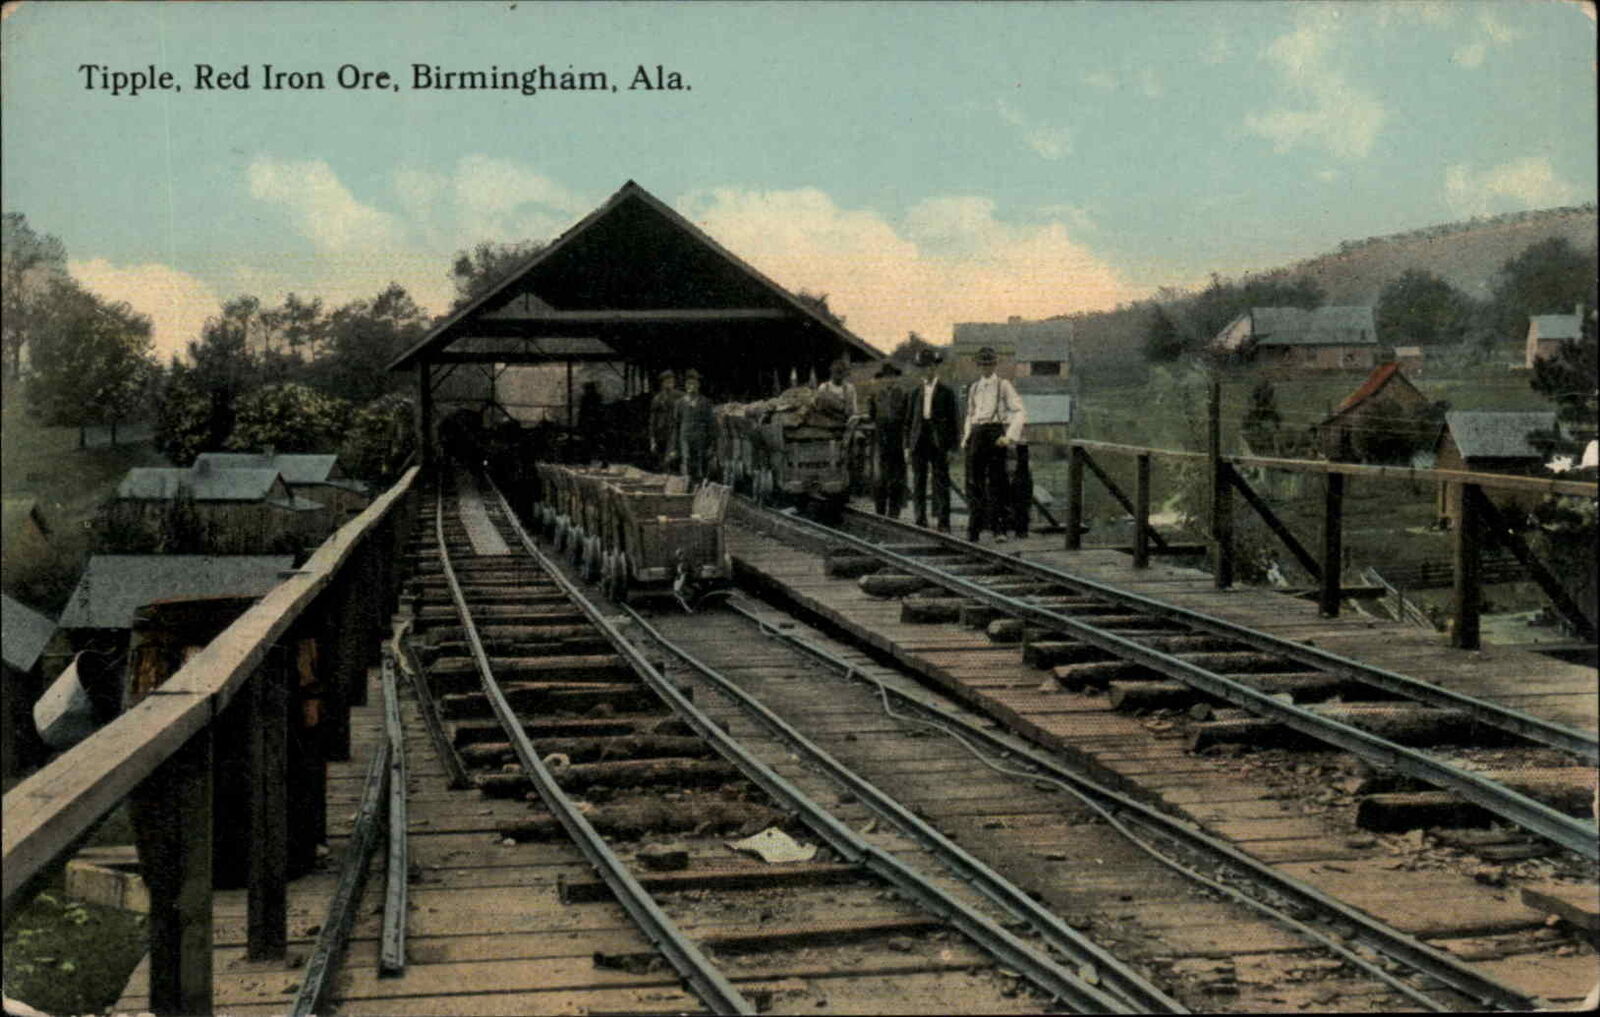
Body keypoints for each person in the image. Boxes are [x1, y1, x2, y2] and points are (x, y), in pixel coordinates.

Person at [962, 346, 1026, 543]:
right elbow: (970, 415)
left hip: (995, 434)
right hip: (977, 434)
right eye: (982, 364)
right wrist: (966, 438)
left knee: (998, 482)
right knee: (974, 482)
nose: (985, 368)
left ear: (994, 365)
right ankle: (974, 530)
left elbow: (1020, 411)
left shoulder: (1003, 385)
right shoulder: (974, 387)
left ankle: (999, 529)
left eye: (989, 364)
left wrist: (1009, 436)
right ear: (978, 366)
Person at [905, 347, 958, 532]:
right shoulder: (914, 393)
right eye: (922, 368)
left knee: (941, 481)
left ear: (935, 369)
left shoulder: (947, 392)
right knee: (918, 481)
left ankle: (944, 522)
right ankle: (920, 520)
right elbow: (908, 421)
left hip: (939, 441)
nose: (926, 371)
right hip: (918, 440)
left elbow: (954, 421)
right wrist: (907, 446)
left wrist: (953, 448)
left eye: (929, 367)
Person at [867, 360, 909, 518]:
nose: (889, 379)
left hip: (897, 439)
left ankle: (894, 514)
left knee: (896, 478)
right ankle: (880, 512)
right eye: (886, 377)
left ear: (895, 378)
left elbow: (906, 418)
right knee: (880, 477)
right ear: (883, 379)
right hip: (881, 439)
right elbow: (872, 415)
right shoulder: (876, 396)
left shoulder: (903, 395)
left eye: (892, 377)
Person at [674, 369, 716, 489]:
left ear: (698, 386)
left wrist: (712, 443)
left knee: (699, 460)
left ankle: (699, 484)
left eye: (694, 384)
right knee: (686, 459)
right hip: (685, 435)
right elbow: (676, 424)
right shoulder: (680, 403)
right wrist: (674, 444)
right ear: (685, 386)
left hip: (700, 436)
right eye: (689, 384)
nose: (691, 386)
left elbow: (711, 423)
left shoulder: (705, 402)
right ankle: (686, 484)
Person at [648, 369, 683, 472]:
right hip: (660, 433)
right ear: (662, 383)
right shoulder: (657, 399)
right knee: (662, 461)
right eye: (667, 382)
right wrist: (652, 440)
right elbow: (652, 420)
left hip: (674, 431)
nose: (669, 384)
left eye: (671, 381)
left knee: (671, 459)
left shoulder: (680, 396)